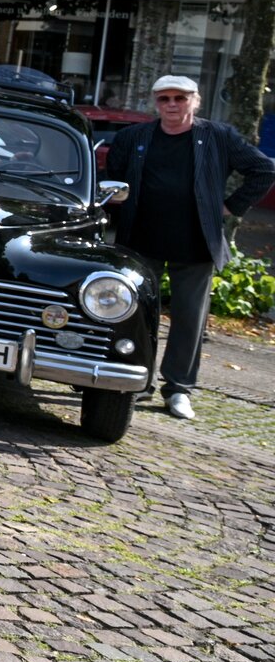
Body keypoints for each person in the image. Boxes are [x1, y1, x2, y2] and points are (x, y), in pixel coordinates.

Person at [103, 74, 275, 421]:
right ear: (155, 103)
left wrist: (231, 206)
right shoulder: (134, 137)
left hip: (195, 244)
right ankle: (134, 381)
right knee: (136, 316)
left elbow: (263, 169)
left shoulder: (218, 136)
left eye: (179, 99)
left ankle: (178, 388)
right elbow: (112, 182)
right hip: (141, 240)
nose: (171, 105)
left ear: (194, 101)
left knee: (189, 320)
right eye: (164, 99)